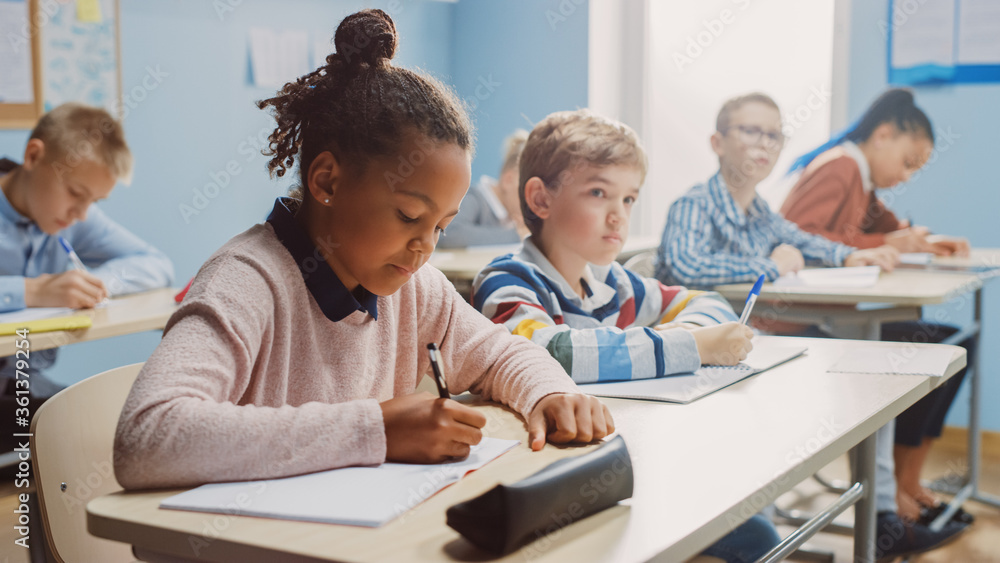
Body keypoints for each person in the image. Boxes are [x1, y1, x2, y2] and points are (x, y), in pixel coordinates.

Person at [114, 10, 611, 492]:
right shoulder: (247, 281)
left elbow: (501, 355)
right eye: (409, 217)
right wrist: (373, 430)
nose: (424, 247)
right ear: (327, 180)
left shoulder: (415, 289)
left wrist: (552, 392)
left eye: (442, 226)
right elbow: (147, 437)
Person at [655, 92, 968, 560]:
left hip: (749, 341)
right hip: (706, 352)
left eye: (774, 135)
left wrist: (848, 253)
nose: (764, 144)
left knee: (872, 365)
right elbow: (684, 265)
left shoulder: (759, 211)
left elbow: (801, 239)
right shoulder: (693, 204)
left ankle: (872, 515)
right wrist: (769, 264)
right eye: (750, 131)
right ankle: (842, 516)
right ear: (718, 142)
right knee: (858, 366)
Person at [473, 109, 776, 563]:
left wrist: (692, 331)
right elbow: (549, 353)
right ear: (540, 199)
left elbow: (707, 303)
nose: (619, 217)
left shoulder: (612, 282)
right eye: (599, 193)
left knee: (755, 534)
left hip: (618, 463)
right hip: (546, 483)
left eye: (630, 199)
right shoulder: (505, 280)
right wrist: (693, 346)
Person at [782, 88, 974, 527]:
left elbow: (887, 228)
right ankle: (891, 505)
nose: (907, 177)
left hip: (827, 318)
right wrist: (886, 242)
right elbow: (796, 241)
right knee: (928, 349)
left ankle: (906, 485)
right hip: (793, 323)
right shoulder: (842, 168)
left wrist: (925, 240)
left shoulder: (860, 178)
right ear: (884, 135)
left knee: (952, 346)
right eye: (909, 163)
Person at [0, 103, 173, 451]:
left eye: (94, 202)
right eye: (76, 194)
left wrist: (95, 284)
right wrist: (31, 291)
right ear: (34, 156)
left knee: (110, 433)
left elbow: (155, 264)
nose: (81, 214)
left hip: (22, 385)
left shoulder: (69, 216)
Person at [438, 129, 529, 248]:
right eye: (527, 191)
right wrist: (517, 235)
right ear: (508, 180)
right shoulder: (475, 197)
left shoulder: (510, 217)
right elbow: (449, 234)